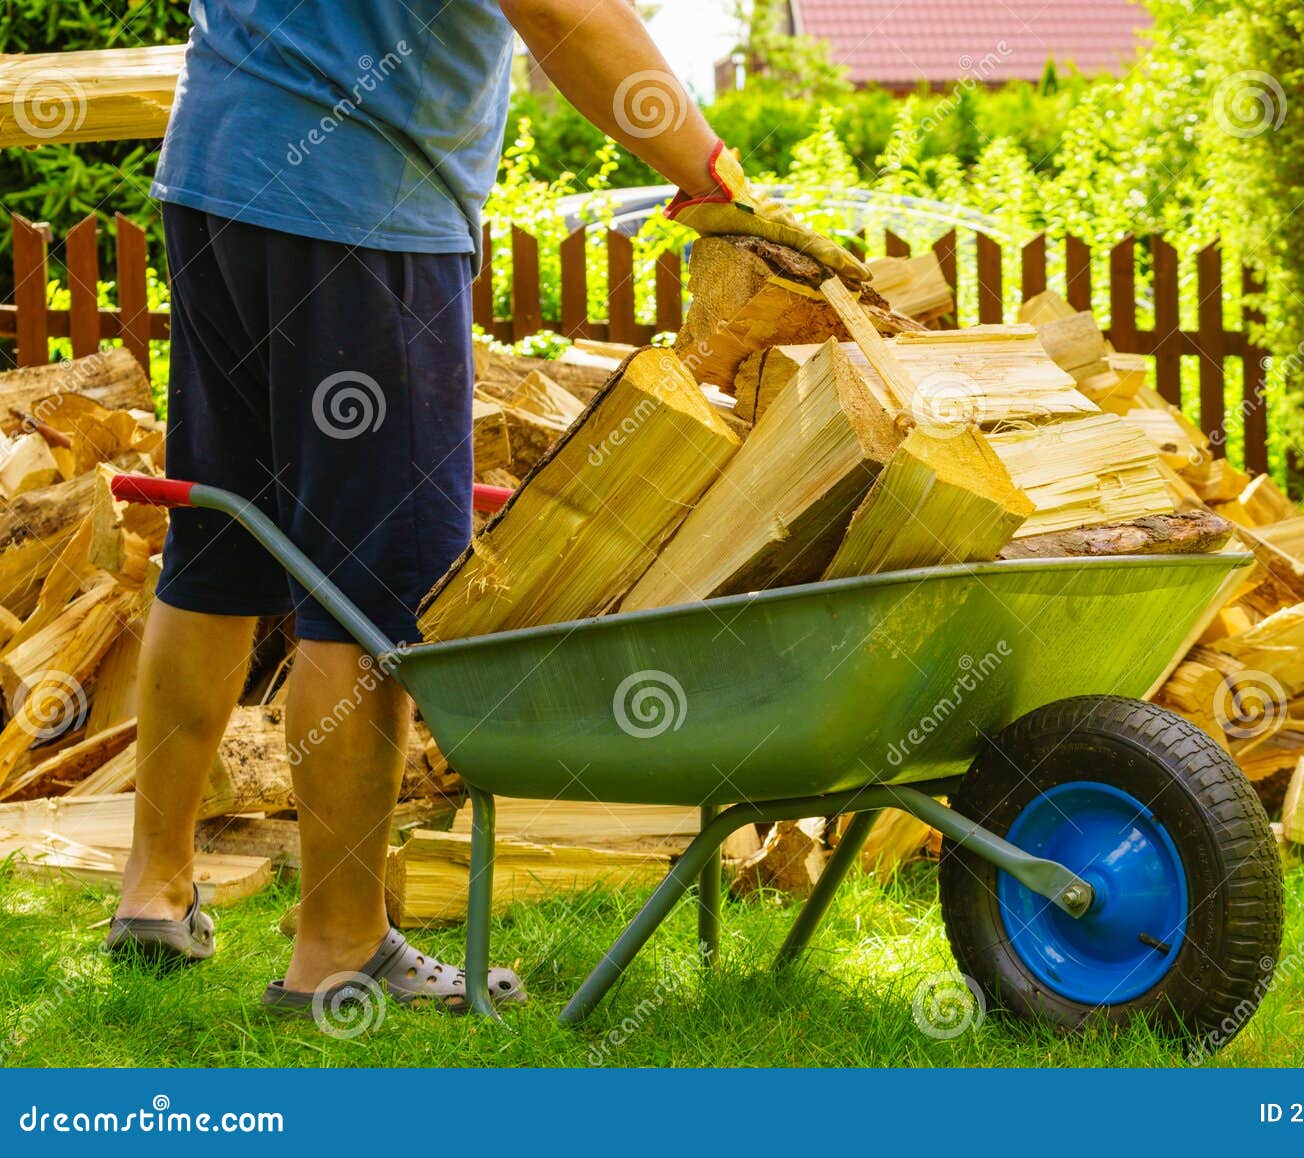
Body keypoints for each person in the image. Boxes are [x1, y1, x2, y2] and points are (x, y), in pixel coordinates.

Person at [107, 0, 865, 1015]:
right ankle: (340, 943)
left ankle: (153, 887)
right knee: (371, 585)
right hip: (360, 205)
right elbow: (565, 14)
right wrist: (708, 174)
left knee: (221, 542)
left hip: (219, 179)